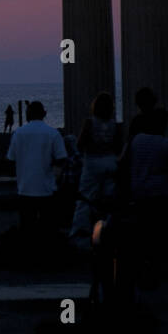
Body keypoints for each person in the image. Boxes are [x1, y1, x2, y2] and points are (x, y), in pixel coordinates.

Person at [117, 106, 168, 293]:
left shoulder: (136, 141)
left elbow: (124, 164)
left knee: (142, 231)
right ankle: (157, 267)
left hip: (139, 192)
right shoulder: (166, 144)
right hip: (161, 194)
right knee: (161, 233)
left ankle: (140, 265)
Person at [5, 100, 67, 261]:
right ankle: (47, 257)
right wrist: (55, 176)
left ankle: (28, 258)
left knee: (27, 225)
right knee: (48, 226)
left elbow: (11, 159)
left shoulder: (19, 133)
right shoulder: (53, 133)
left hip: (25, 187)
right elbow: (61, 159)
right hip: (47, 187)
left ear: (27, 114)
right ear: (44, 114)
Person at [70, 93, 123, 248]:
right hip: (111, 162)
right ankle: (108, 228)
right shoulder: (114, 124)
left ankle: (79, 231)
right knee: (108, 198)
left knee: (85, 198)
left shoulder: (90, 122)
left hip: (92, 162)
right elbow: (118, 146)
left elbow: (81, 143)